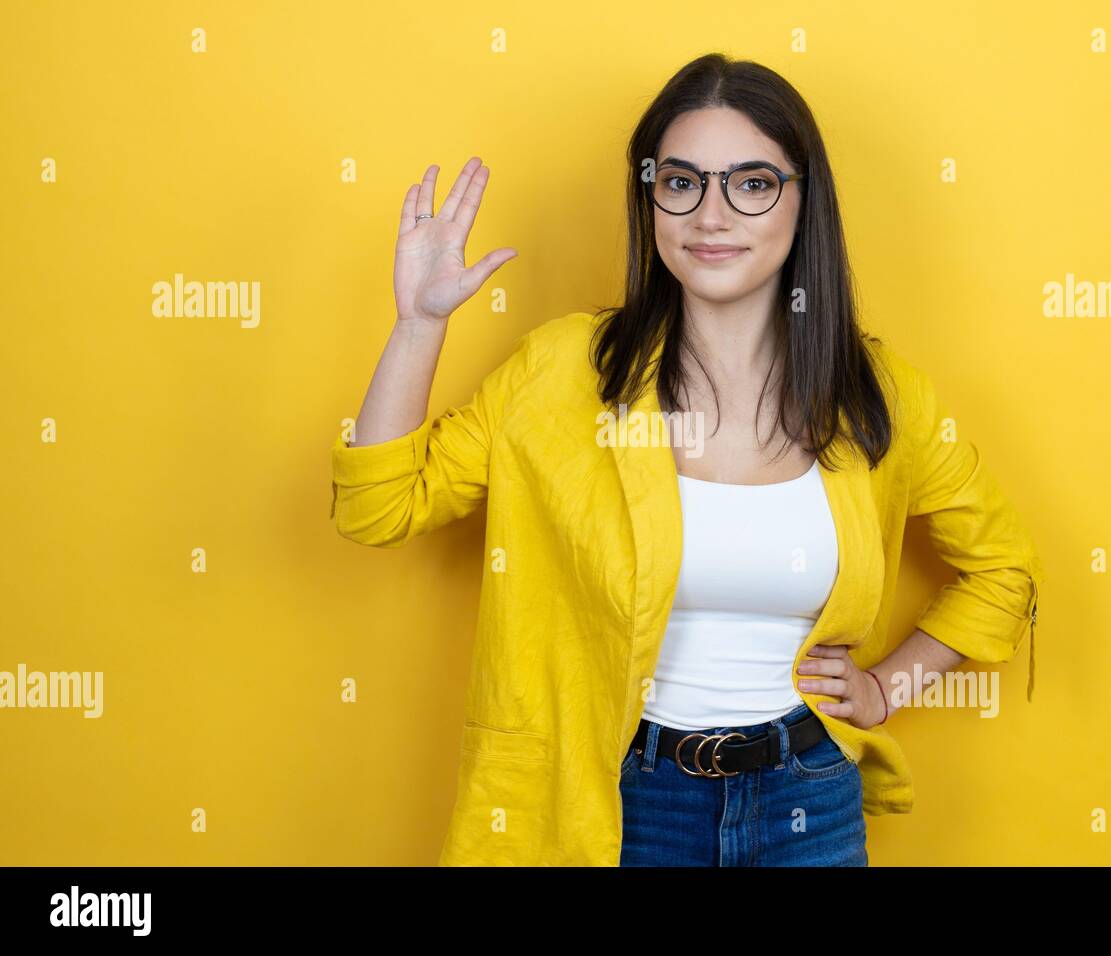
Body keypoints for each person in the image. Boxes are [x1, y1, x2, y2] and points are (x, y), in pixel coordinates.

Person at [330, 52, 1044, 867]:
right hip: (612, 798)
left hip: (807, 798)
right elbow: (377, 508)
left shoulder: (879, 396)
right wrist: (419, 325)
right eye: (680, 182)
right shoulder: (561, 373)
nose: (711, 214)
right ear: (652, 201)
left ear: (804, 199)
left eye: (751, 183)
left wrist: (886, 688)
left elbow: (1004, 571)